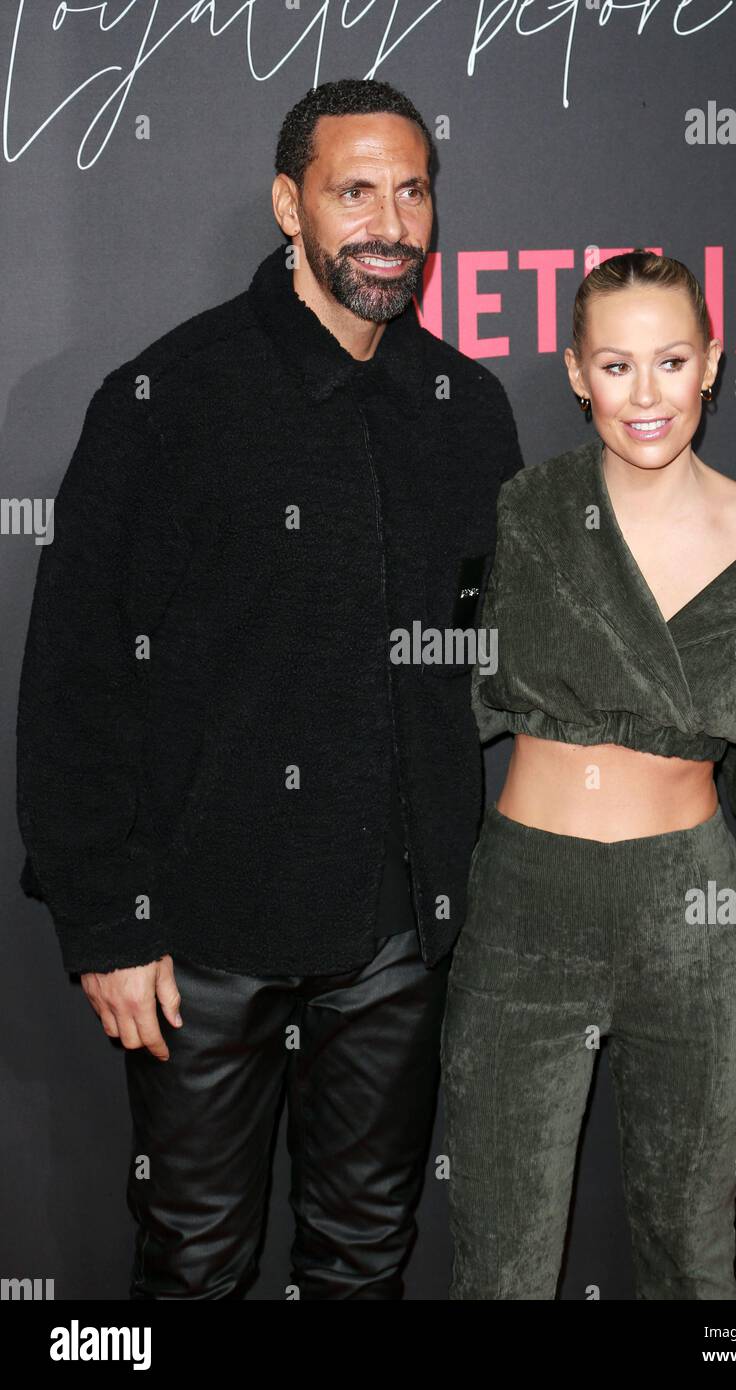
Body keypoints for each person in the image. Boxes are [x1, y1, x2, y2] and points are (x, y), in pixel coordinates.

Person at [16, 78, 523, 1299]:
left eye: (412, 190)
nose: (390, 222)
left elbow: (493, 656)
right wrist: (108, 918)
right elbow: (75, 679)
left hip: (393, 936)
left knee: (366, 1256)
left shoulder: (466, 412)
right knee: (193, 1262)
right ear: (287, 204)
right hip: (199, 940)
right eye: (356, 190)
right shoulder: (166, 400)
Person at [440, 249, 736, 1300]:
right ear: (575, 371)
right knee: (499, 1258)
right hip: (521, 911)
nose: (646, 395)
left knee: (691, 1248)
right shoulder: (525, 512)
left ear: (711, 363)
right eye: (616, 365)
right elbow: (426, 697)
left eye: (670, 361)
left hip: (692, 918)